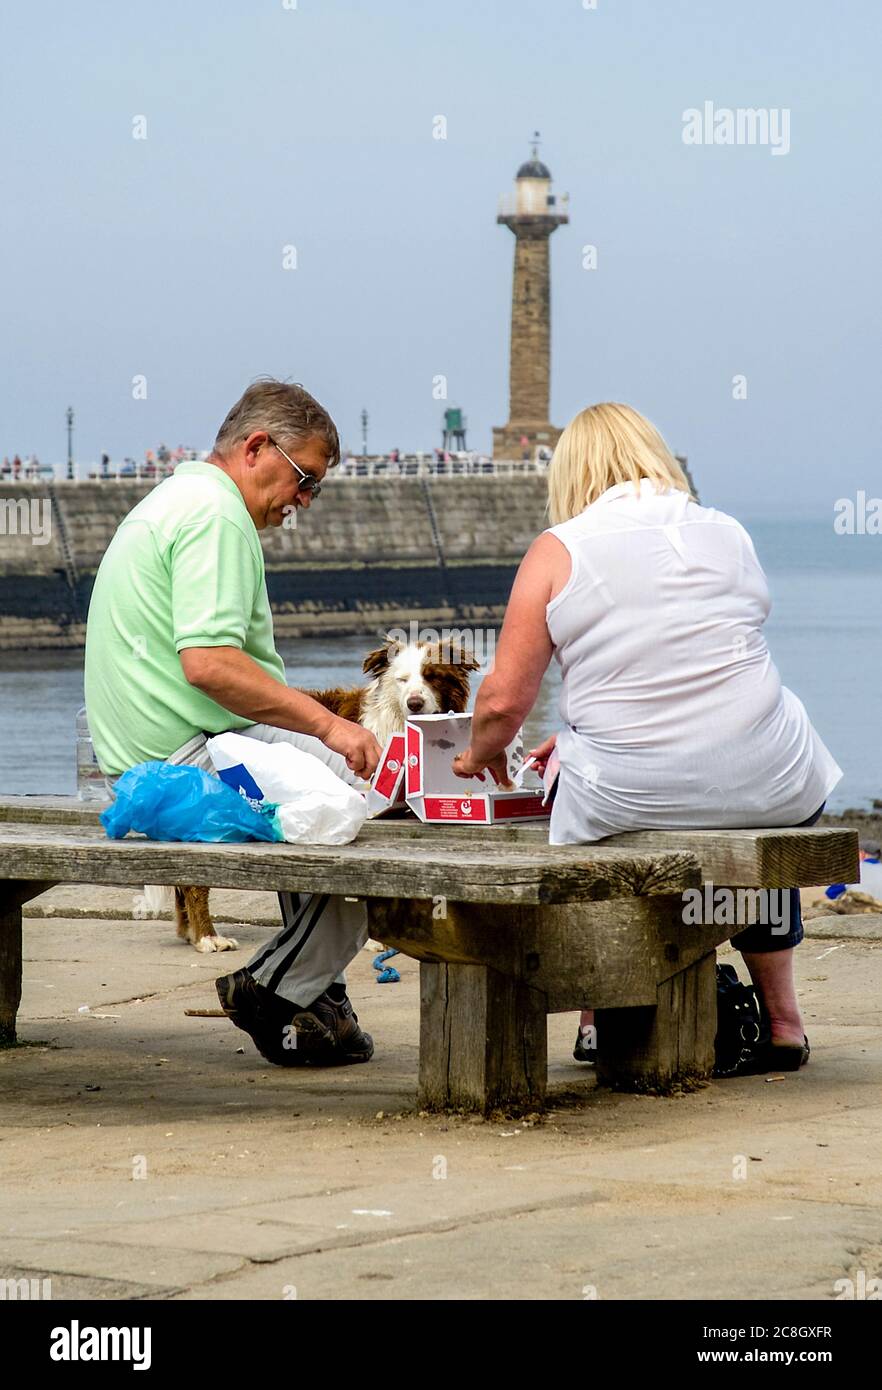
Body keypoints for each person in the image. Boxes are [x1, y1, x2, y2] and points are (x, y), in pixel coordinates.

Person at [453, 402, 842, 1075]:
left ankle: (597, 1018)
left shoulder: (560, 547)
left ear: (573, 471)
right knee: (742, 818)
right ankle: (782, 1020)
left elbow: (505, 701)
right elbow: (700, 663)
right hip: (773, 779)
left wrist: (481, 754)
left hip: (629, 790)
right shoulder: (728, 533)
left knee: (597, 809)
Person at [84, 379, 381, 1067]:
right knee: (359, 806)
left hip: (153, 761)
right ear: (256, 448)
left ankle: (317, 1001)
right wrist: (329, 726)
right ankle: (277, 993)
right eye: (305, 479)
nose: (303, 502)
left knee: (322, 786)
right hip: (185, 762)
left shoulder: (176, 499)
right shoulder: (217, 517)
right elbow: (211, 666)